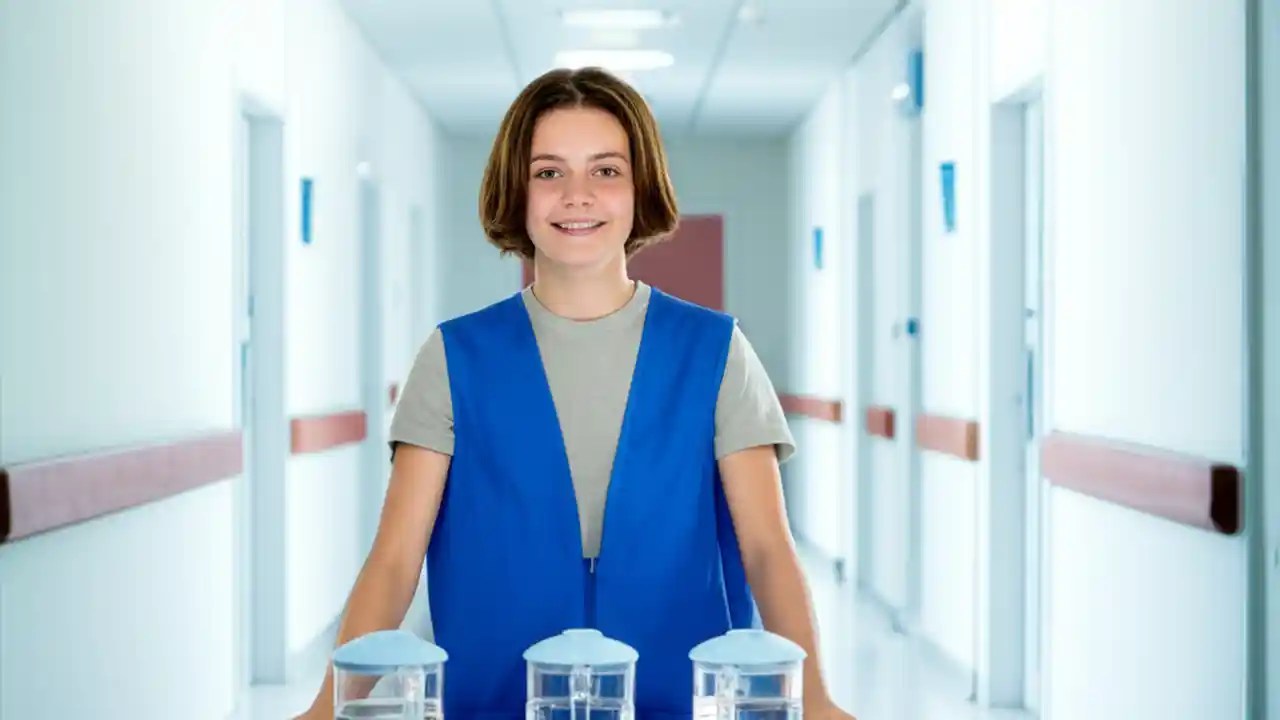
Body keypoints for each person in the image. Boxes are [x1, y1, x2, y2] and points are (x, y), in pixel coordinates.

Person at [296, 66, 855, 720]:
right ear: (517, 190)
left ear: (640, 188)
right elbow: (395, 561)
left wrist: (813, 700)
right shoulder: (454, 359)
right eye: (549, 172)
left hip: (675, 701)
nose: (578, 195)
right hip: (496, 700)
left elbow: (767, 548)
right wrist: (326, 706)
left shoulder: (715, 352)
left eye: (606, 171)